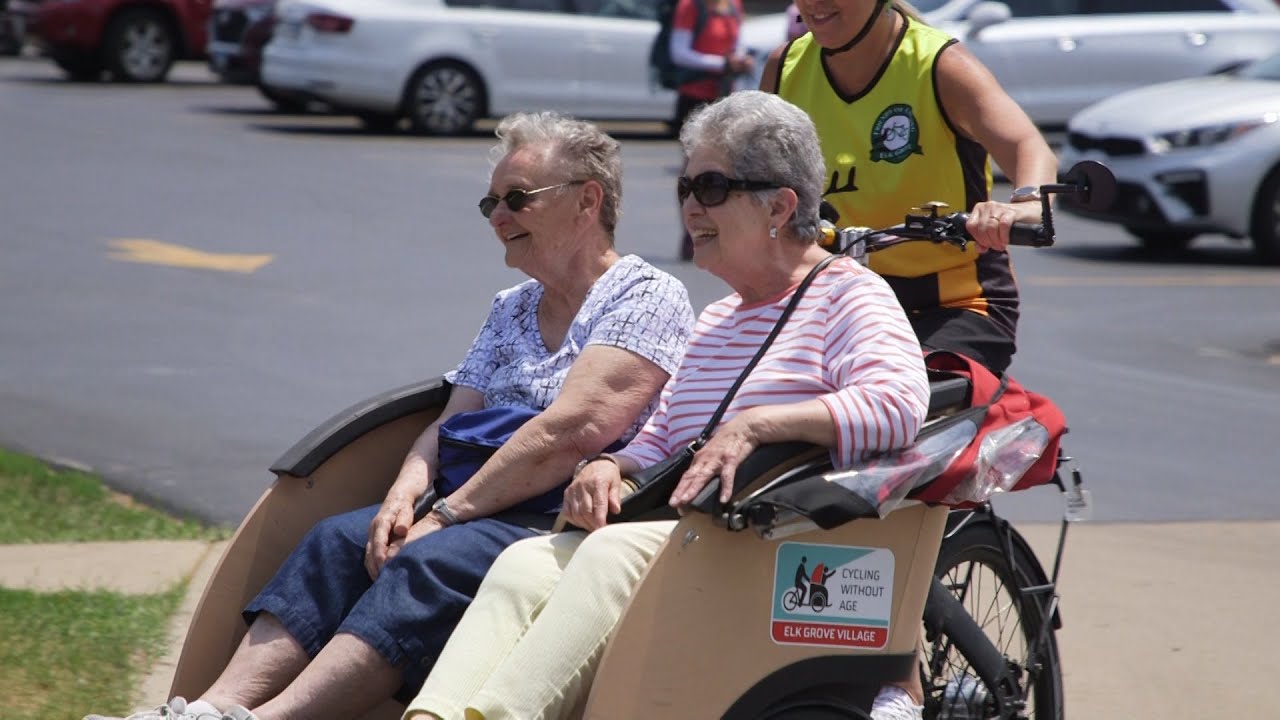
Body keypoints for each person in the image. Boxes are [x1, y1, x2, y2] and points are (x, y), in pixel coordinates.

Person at [85, 112, 695, 720]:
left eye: (517, 199)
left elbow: (569, 433)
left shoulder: (645, 296)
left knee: (430, 559)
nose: (499, 217)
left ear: (587, 201)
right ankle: (208, 711)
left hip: (556, 514)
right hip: (477, 500)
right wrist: (405, 494)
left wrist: (446, 515)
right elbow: (453, 421)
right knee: (339, 540)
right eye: (490, 205)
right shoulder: (512, 306)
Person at [402, 90, 931, 720]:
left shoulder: (849, 294)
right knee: (523, 563)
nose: (690, 208)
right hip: (698, 533)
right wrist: (612, 466)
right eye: (685, 188)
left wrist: (759, 424)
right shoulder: (718, 320)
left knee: (603, 555)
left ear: (780, 206)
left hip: (775, 543)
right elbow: (664, 435)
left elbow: (899, 406)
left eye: (711, 188)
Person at [761, 0, 1059, 373]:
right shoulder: (784, 69)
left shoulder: (938, 63)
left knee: (891, 396)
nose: (814, 4)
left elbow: (1025, 145)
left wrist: (1027, 202)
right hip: (834, 300)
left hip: (953, 304)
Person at [671, 0, 755, 261]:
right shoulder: (690, 6)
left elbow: (737, 42)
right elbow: (679, 52)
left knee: (723, 166)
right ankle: (690, 232)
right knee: (692, 168)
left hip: (723, 95)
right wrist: (721, 64)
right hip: (695, 97)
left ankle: (716, 230)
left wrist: (740, 60)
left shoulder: (733, 5)